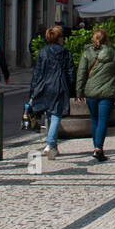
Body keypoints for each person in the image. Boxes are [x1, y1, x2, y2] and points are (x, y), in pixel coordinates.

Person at [29, 25, 75, 159]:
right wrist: (73, 89)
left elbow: (37, 72)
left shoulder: (43, 52)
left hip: (44, 86)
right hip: (59, 86)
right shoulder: (65, 52)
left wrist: (33, 89)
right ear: (59, 38)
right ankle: (50, 144)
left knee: (49, 114)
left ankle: (53, 147)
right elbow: (71, 72)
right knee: (56, 115)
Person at [76, 28, 115, 162]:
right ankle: (98, 148)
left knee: (94, 119)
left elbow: (81, 74)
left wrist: (79, 91)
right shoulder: (113, 53)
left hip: (91, 92)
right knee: (103, 120)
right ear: (106, 40)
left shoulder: (86, 54)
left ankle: (96, 147)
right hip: (108, 92)